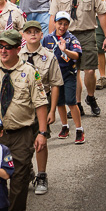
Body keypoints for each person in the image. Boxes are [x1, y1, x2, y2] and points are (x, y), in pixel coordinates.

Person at [0, 29, 49, 211]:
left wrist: (41, 133)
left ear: (17, 49)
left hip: (21, 132)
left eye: (7, 47)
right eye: (0, 46)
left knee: (19, 177)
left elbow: (40, 102)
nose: (2, 51)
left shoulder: (30, 72)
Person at [48, 0, 106, 117]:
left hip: (87, 33)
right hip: (67, 36)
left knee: (89, 70)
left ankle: (90, 98)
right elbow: (53, 17)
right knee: (72, 72)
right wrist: (51, 40)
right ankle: (76, 104)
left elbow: (102, 14)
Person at [20, 21, 63, 194]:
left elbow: (54, 85)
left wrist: (52, 110)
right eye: (28, 32)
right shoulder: (18, 55)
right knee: (21, 142)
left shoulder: (49, 56)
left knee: (41, 141)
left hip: (41, 105)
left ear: (41, 34)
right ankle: (27, 171)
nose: (32, 34)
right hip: (21, 104)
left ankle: (42, 175)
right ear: (23, 35)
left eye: (36, 31)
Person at [43, 11, 84, 144]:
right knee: (59, 102)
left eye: (65, 24)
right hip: (54, 76)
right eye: (60, 23)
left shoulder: (71, 38)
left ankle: (79, 129)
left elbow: (77, 55)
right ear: (54, 23)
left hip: (68, 73)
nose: (62, 27)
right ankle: (65, 126)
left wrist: (65, 50)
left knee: (71, 101)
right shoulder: (48, 38)